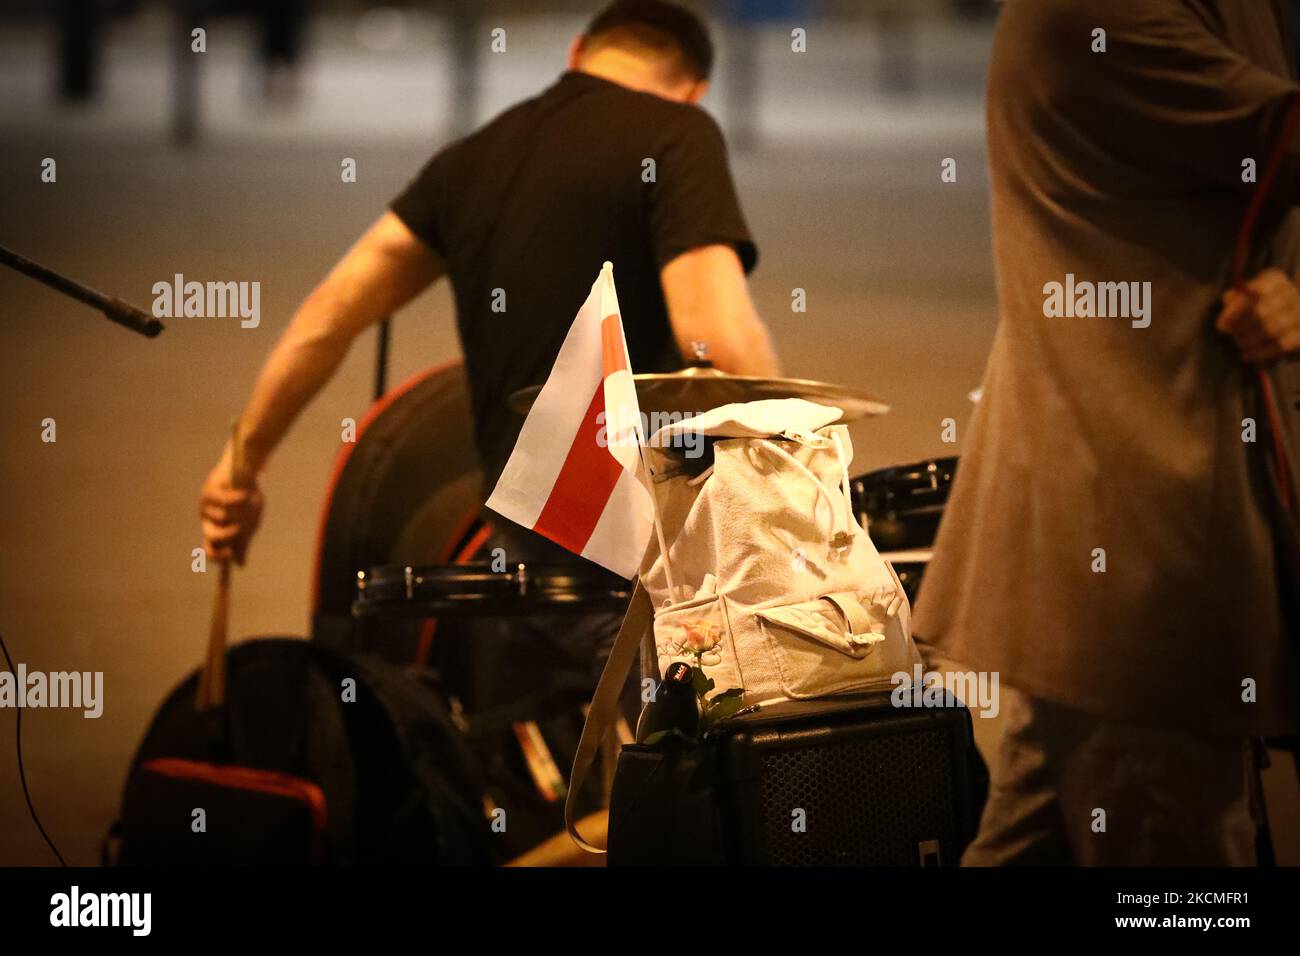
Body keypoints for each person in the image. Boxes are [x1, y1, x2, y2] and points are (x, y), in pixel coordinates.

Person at [915, 0, 1300, 865]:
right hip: (1134, 546)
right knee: (1178, 874)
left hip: (1112, 548)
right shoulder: (1094, 12)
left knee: (1044, 831)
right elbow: (1280, 139)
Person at [199, 0, 776, 567]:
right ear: (696, 88)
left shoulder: (470, 157)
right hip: (647, 551)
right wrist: (798, 466)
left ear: (576, 53)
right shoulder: (680, 133)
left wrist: (239, 469)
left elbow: (327, 316)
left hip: (517, 541)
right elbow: (715, 336)